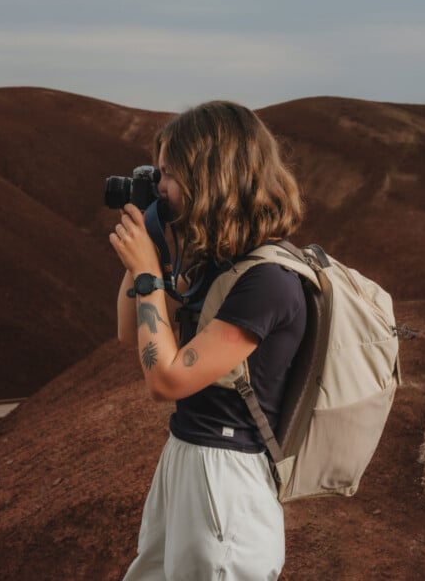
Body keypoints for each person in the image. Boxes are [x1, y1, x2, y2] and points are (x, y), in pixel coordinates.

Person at [109, 100, 306, 580]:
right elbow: (126, 331)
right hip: (186, 458)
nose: (161, 189)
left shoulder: (268, 282)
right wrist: (148, 256)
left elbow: (167, 380)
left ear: (209, 178)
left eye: (168, 176)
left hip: (224, 477)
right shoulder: (217, 262)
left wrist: (152, 277)